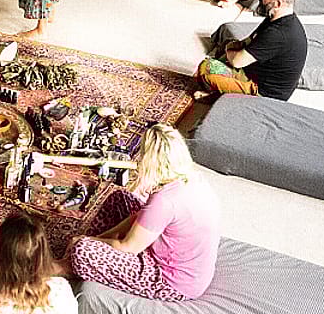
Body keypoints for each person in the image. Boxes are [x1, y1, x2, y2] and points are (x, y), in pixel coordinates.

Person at [64, 124, 221, 301]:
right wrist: (101, 237)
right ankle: (94, 254)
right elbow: (141, 217)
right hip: (184, 264)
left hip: (170, 281)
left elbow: (128, 247)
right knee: (120, 198)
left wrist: (88, 242)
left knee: (82, 250)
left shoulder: (164, 201)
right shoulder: (193, 178)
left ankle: (72, 266)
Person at [195, 0, 307, 101]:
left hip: (263, 92)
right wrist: (232, 46)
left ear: (277, 3)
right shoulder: (278, 18)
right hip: (255, 71)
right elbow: (250, 40)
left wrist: (229, 49)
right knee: (227, 47)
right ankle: (226, 89)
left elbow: (237, 62)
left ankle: (225, 97)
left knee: (206, 68)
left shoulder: (277, 34)